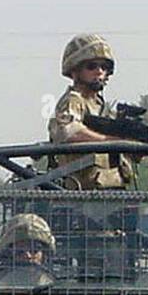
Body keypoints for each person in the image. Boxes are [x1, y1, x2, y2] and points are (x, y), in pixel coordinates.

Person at [48, 33, 135, 190]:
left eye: (104, 67)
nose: (99, 71)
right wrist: (110, 141)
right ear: (75, 70)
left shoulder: (102, 108)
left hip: (115, 193)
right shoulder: (73, 101)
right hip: (80, 198)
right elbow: (68, 132)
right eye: (91, 66)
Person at [0, 213, 56, 288]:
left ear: (44, 255)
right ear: (9, 256)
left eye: (34, 251)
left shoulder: (56, 289)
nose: (28, 256)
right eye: (19, 252)